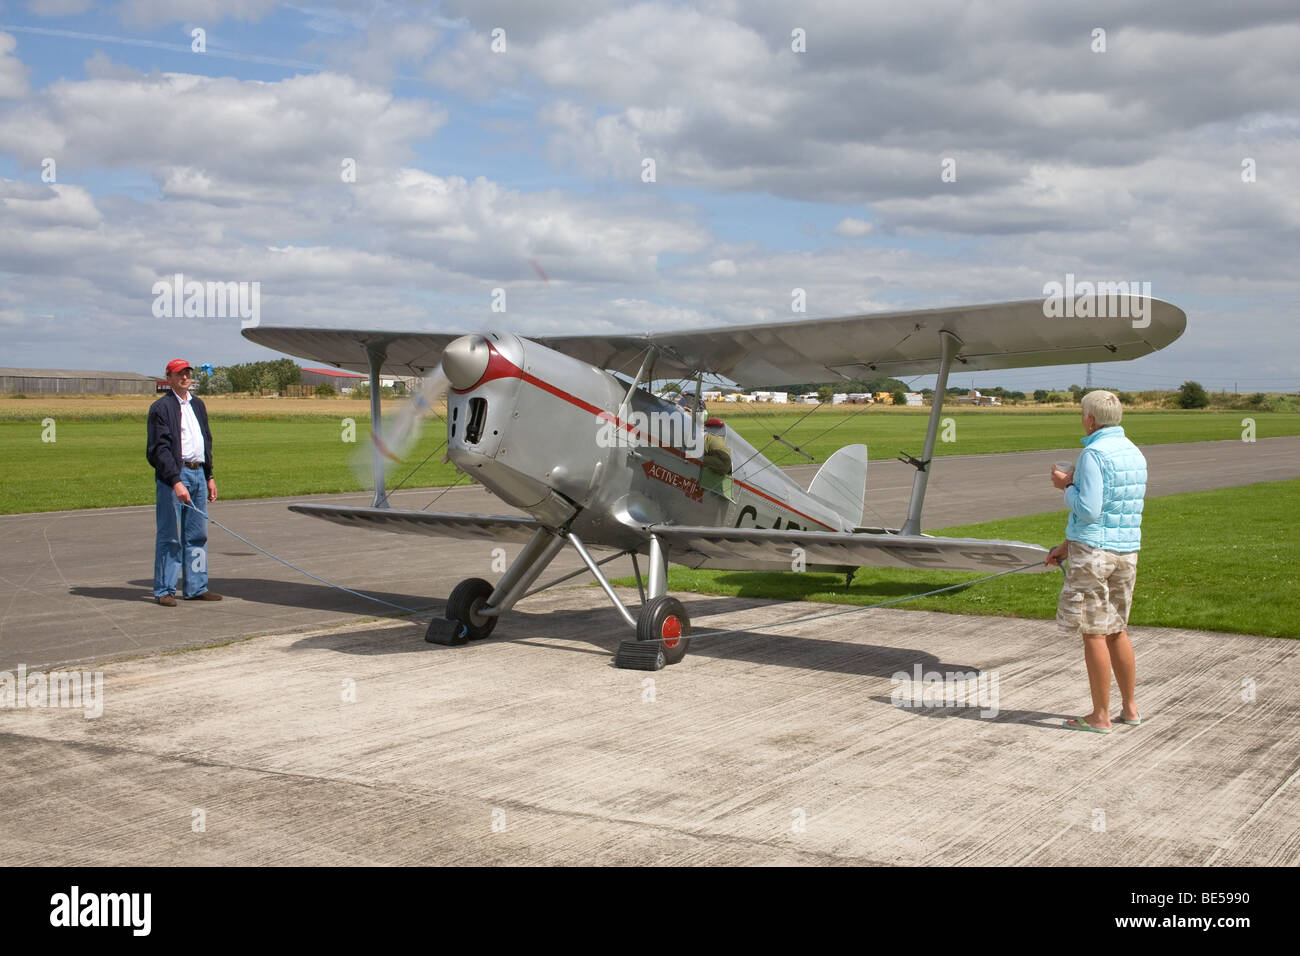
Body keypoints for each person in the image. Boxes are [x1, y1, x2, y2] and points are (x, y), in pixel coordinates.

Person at [1045, 390, 1144, 733]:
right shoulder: (1134, 452)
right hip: (1126, 551)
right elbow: (1110, 514)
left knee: (1093, 633)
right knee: (1116, 630)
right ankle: (1129, 708)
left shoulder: (1093, 454)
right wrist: (1065, 545)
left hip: (1094, 556)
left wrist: (1066, 485)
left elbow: (1089, 510)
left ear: (1090, 419)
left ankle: (1100, 716)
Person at [147, 359, 221, 605]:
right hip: (174, 476)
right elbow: (159, 450)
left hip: (198, 472)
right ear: (168, 378)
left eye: (187, 373)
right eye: (179, 374)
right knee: (170, 536)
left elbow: (205, 442)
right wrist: (176, 481)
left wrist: (209, 476)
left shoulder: (198, 405)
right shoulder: (161, 408)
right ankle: (165, 590)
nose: (185, 377)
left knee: (197, 535)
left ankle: (197, 587)